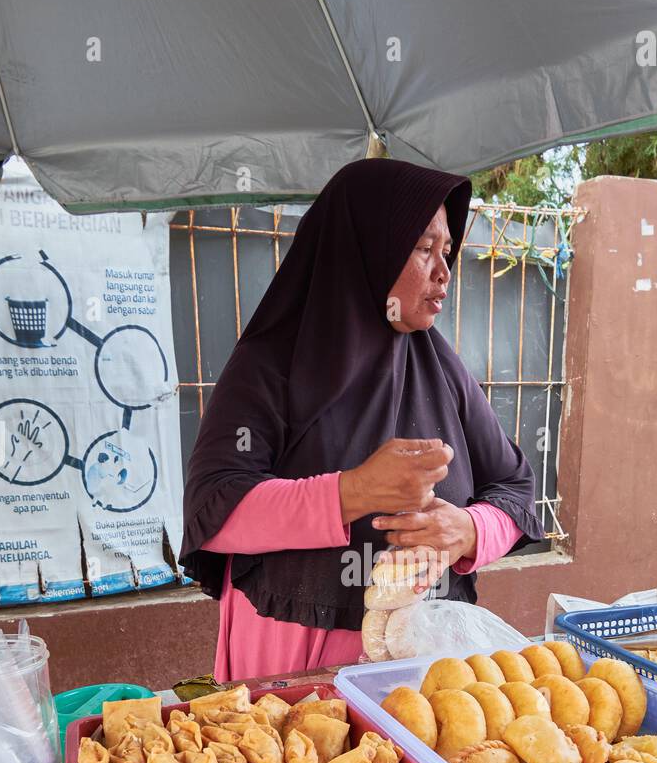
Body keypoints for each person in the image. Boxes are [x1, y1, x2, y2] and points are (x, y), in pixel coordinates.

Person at [180, 158, 543, 679]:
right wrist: (354, 491)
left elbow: (515, 486)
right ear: (366, 249)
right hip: (289, 655)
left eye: (447, 250)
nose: (443, 271)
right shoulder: (272, 364)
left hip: (415, 659)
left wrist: (464, 529)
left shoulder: (439, 365)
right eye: (423, 249)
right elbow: (213, 506)